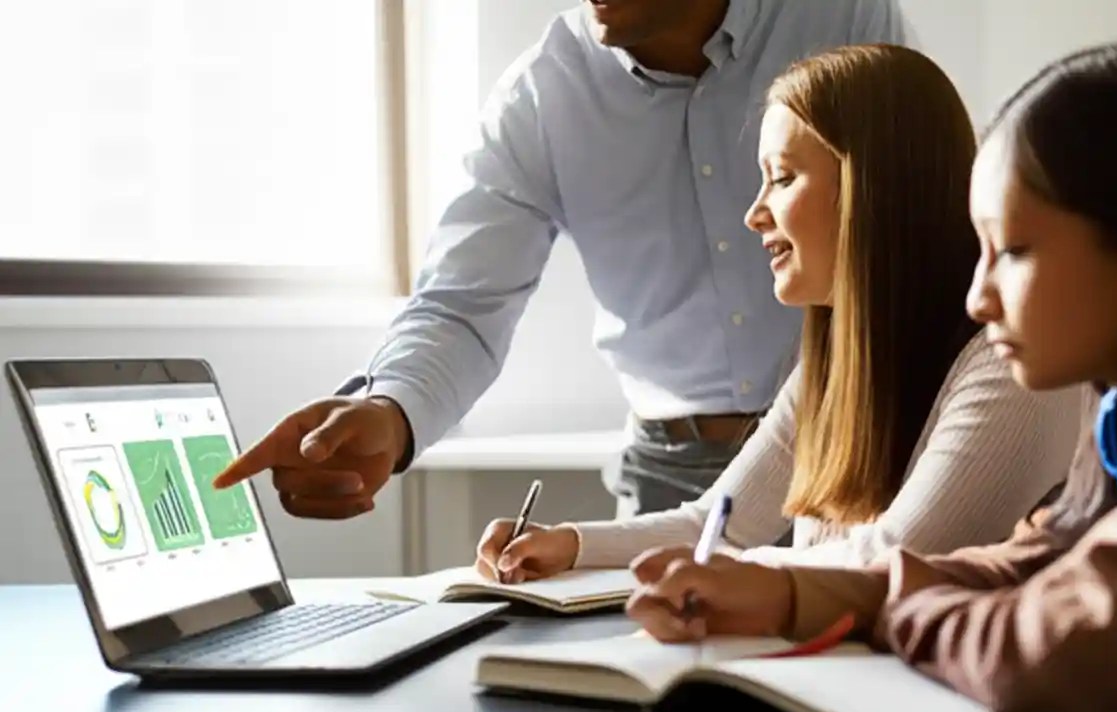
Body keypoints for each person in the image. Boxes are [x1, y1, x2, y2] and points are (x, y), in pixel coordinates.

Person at [625, 42, 1117, 712]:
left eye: (1014, 251)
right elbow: (1036, 562)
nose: (978, 298)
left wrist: (889, 609)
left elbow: (1056, 654)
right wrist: (790, 598)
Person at [211, 0, 918, 520]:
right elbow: (462, 304)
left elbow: (912, 230)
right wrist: (389, 410)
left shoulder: (845, 20)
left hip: (851, 446)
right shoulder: (542, 93)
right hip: (667, 479)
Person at [472, 44, 1082, 585]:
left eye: (782, 178)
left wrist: (712, 572)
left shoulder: (1007, 368)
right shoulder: (834, 362)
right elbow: (717, 526)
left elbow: (894, 560)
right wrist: (570, 544)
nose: (754, 214)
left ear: (873, 187)